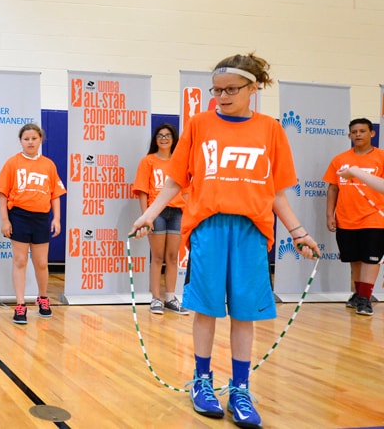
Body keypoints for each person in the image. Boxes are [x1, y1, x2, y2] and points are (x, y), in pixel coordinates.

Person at [130, 53, 319, 429]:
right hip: (208, 227)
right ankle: (202, 380)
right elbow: (174, 182)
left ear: (253, 88)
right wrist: (150, 214)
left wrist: (299, 231)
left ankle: (241, 388)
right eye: (216, 91)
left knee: (245, 313)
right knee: (207, 308)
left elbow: (277, 193)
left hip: (252, 231)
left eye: (231, 90)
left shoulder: (270, 130)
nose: (222, 96)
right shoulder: (199, 125)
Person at [0, 123, 65, 324]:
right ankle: (20, 305)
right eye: (26, 139)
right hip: (19, 217)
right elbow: (2, 194)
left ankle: (43, 299)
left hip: (41, 218)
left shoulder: (49, 165)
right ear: (21, 141)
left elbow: (55, 195)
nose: (30, 142)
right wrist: (5, 220)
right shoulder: (12, 163)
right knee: (20, 261)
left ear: (40, 139)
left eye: (34, 138)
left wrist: (56, 218)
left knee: (41, 263)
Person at [323, 118, 384, 316]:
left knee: (370, 259)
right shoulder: (340, 159)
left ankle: (366, 299)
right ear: (349, 135)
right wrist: (329, 214)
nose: (358, 135)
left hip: (374, 217)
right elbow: (333, 188)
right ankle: (359, 294)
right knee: (355, 259)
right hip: (346, 218)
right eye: (354, 131)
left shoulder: (381, 157)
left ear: (372, 133)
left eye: (362, 131)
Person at [132, 123, 188, 315]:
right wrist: (146, 216)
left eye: (167, 135)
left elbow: (186, 191)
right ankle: (155, 298)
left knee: (172, 257)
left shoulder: (180, 162)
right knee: (157, 257)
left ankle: (170, 297)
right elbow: (142, 191)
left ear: (174, 140)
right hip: (157, 214)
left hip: (177, 213)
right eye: (160, 136)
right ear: (155, 140)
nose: (164, 138)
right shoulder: (148, 161)